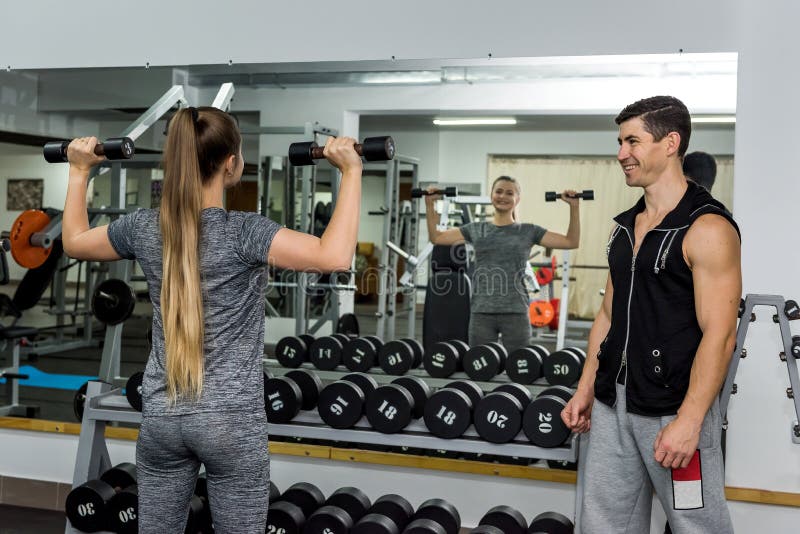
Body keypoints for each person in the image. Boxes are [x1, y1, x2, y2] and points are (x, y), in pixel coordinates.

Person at [61, 107, 362, 533]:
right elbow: (334, 256)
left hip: (162, 417)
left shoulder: (145, 227)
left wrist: (78, 173)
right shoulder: (245, 233)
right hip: (230, 422)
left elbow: (73, 241)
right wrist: (350, 171)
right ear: (231, 163)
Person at [561, 96, 740, 533]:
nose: (622, 153)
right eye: (620, 142)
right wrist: (586, 386)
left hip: (673, 408)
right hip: (611, 403)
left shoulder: (708, 228)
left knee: (697, 524)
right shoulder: (625, 226)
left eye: (633, 141)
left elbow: (720, 334)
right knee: (603, 523)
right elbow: (607, 314)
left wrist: (691, 421)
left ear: (670, 143)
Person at [424, 176, 580, 352]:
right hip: (481, 312)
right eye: (498, 191)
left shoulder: (528, 231)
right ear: (491, 195)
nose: (503, 196)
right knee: (480, 367)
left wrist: (574, 207)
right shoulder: (476, 229)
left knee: (519, 368)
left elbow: (570, 241)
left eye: (509, 193)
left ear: (517, 199)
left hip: (516, 312)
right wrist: (430, 205)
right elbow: (436, 237)